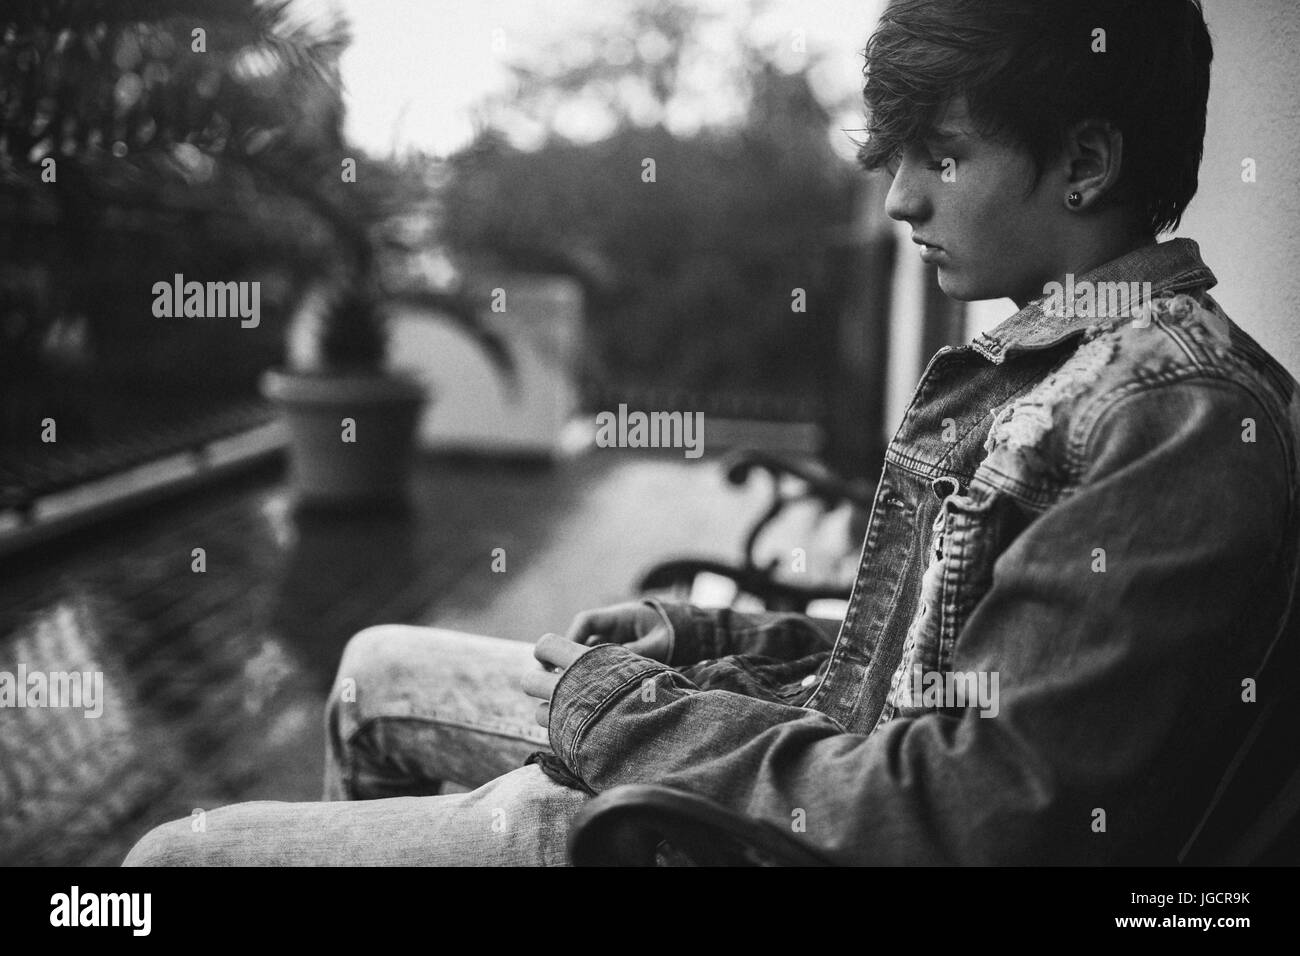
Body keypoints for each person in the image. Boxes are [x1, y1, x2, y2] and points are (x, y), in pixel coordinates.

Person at [124, 0, 1300, 866]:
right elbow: (915, 677)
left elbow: (966, 812)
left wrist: (624, 713)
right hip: (795, 780)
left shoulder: (1169, 419)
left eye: (939, 154)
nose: (899, 200)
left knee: (169, 864)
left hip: (752, 844)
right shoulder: (1070, 364)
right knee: (376, 664)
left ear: (1086, 162)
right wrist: (697, 635)